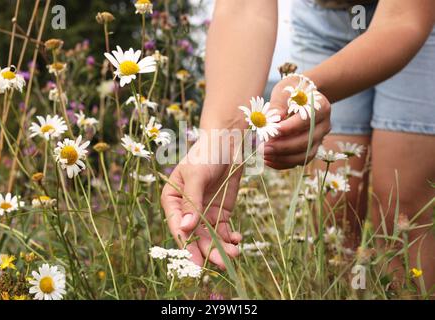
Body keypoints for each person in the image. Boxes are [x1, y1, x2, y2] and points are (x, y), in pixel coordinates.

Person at [161, 0, 435, 291]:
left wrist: (303, 92)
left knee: (401, 206)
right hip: (323, 19)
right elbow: (244, 7)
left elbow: (404, 20)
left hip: (416, 19)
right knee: (335, 202)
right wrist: (221, 140)